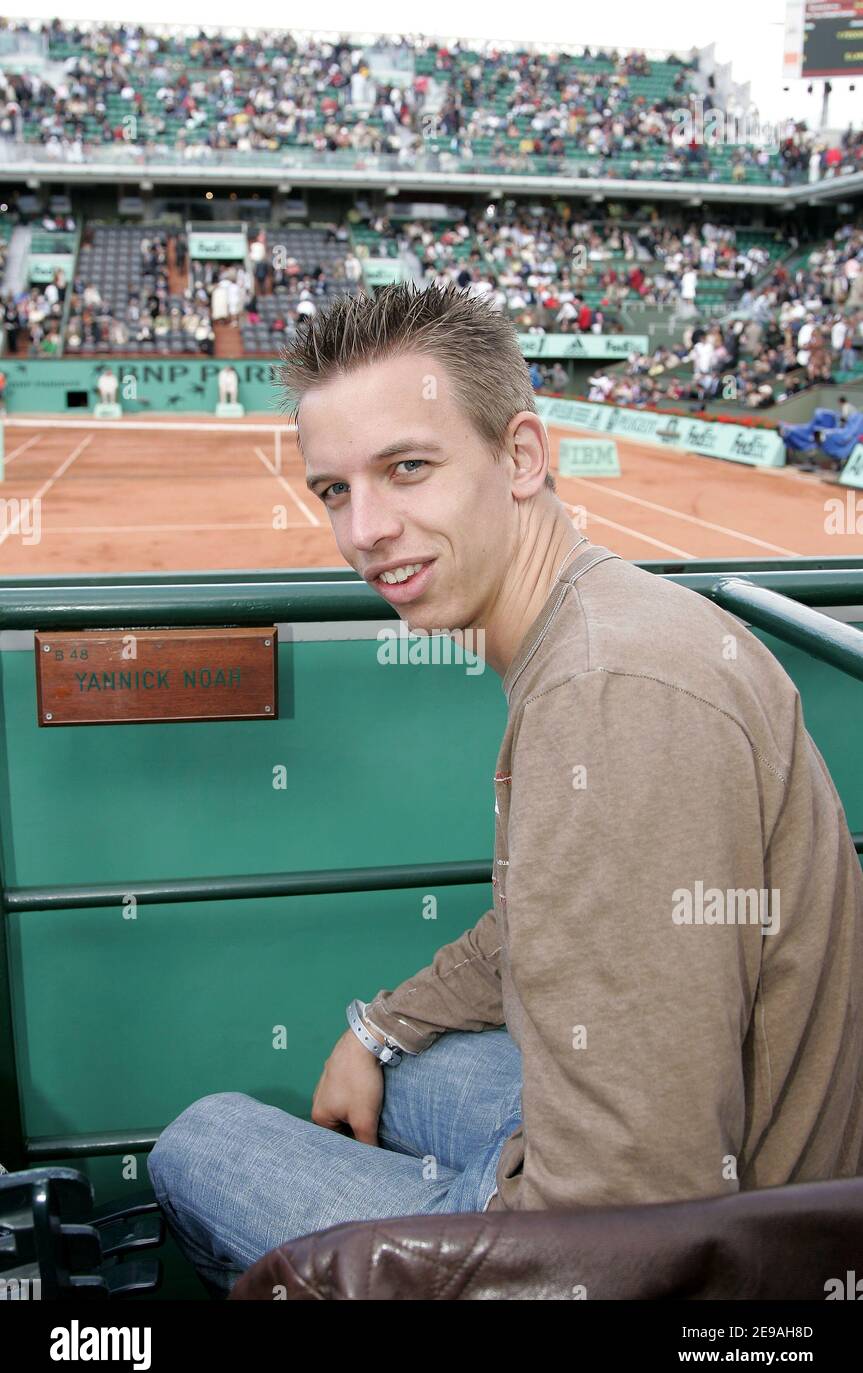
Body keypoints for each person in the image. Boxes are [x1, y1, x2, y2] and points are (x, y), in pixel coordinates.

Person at [148, 282, 863, 1297]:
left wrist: (408, 1247)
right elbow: (548, 915)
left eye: (406, 469)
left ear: (521, 457)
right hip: (729, 1150)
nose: (365, 531)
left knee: (199, 1138)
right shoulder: (607, 621)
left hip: (727, 1255)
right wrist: (380, 1026)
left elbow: (630, 1217)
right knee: (404, 1074)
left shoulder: (606, 695)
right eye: (335, 490)